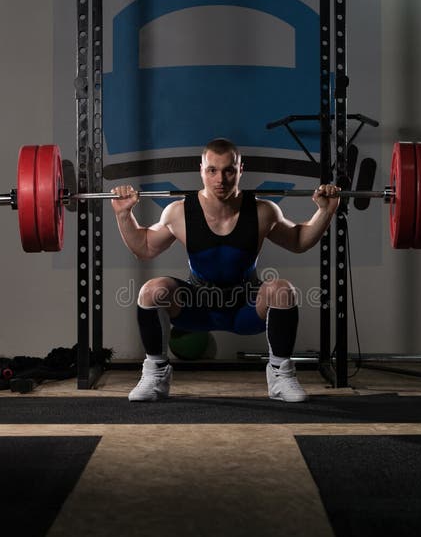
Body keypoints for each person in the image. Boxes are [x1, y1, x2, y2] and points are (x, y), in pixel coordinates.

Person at [111, 138, 340, 402]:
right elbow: (145, 248)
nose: (221, 179)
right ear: (201, 170)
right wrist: (123, 215)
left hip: (245, 308)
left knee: (282, 290)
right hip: (198, 306)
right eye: (212, 170)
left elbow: (299, 240)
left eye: (228, 170)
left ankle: (281, 376)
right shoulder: (179, 212)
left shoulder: (263, 211)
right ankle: (155, 375)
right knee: (151, 291)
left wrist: (325, 211)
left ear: (240, 169)